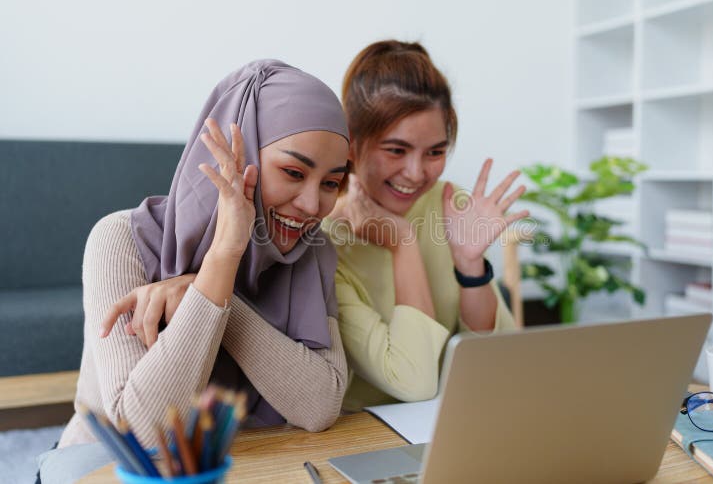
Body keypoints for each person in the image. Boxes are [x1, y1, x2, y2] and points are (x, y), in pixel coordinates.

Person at [39, 60, 350, 483]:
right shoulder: (120, 240)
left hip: (246, 465)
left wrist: (206, 296)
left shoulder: (311, 251)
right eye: (293, 173)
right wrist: (223, 256)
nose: (313, 207)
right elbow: (145, 434)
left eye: (331, 183)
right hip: (105, 471)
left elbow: (319, 406)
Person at [323, 40, 528, 411]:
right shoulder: (324, 242)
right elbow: (411, 381)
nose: (417, 174)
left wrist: (471, 268)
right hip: (365, 437)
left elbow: (498, 357)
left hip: (455, 418)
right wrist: (403, 242)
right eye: (396, 150)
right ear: (351, 145)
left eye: (435, 152)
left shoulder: (450, 206)